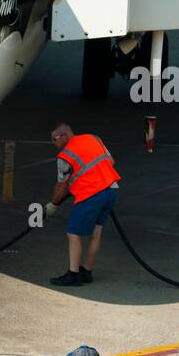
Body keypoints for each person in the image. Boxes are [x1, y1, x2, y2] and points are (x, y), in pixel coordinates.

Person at [45, 122, 119, 286]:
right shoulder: (94, 138)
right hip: (111, 189)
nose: (54, 144)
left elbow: (61, 186)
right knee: (96, 231)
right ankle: (86, 271)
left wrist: (53, 204)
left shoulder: (65, 156)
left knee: (73, 234)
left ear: (63, 137)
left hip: (91, 194)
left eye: (54, 139)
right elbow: (111, 161)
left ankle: (73, 275)